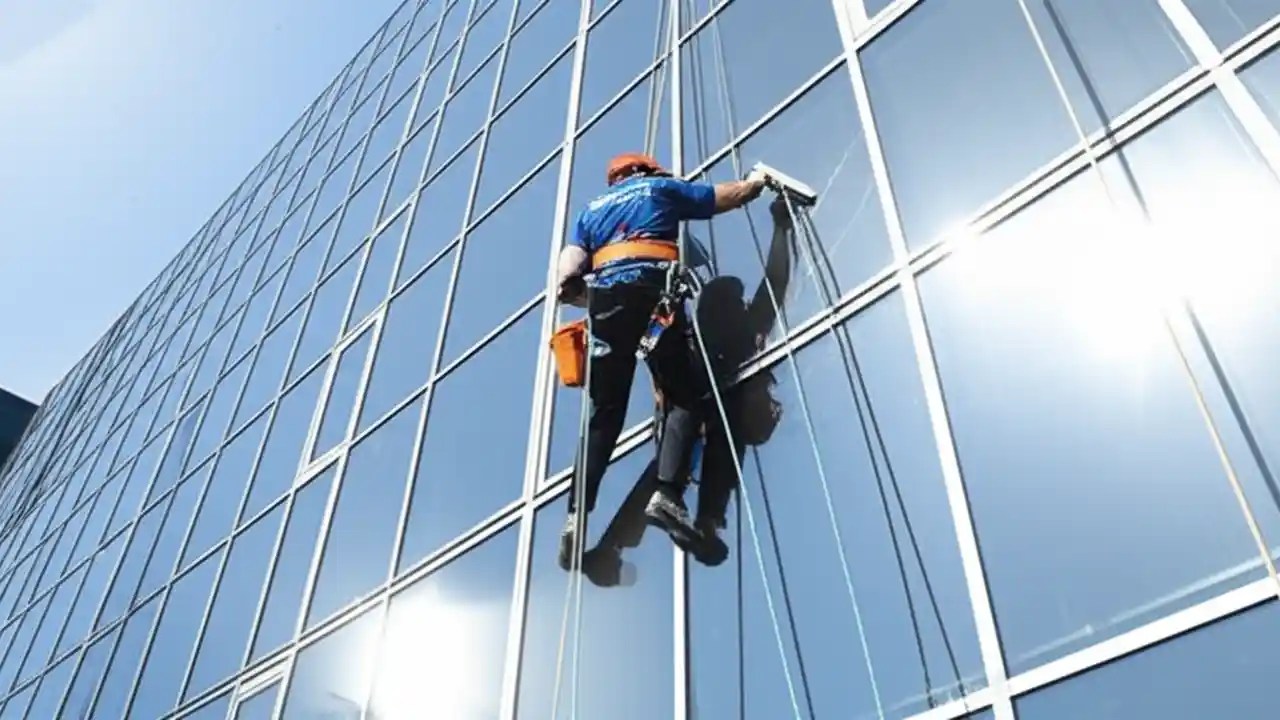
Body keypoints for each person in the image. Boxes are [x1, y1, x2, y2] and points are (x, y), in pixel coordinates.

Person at [555, 151, 768, 569]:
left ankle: (576, 514)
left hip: (607, 306)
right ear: (648, 170)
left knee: (605, 413)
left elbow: (569, 272)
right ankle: (667, 496)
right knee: (683, 397)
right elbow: (720, 198)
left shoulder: (589, 210)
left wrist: (583, 294)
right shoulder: (661, 188)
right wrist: (754, 185)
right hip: (653, 295)